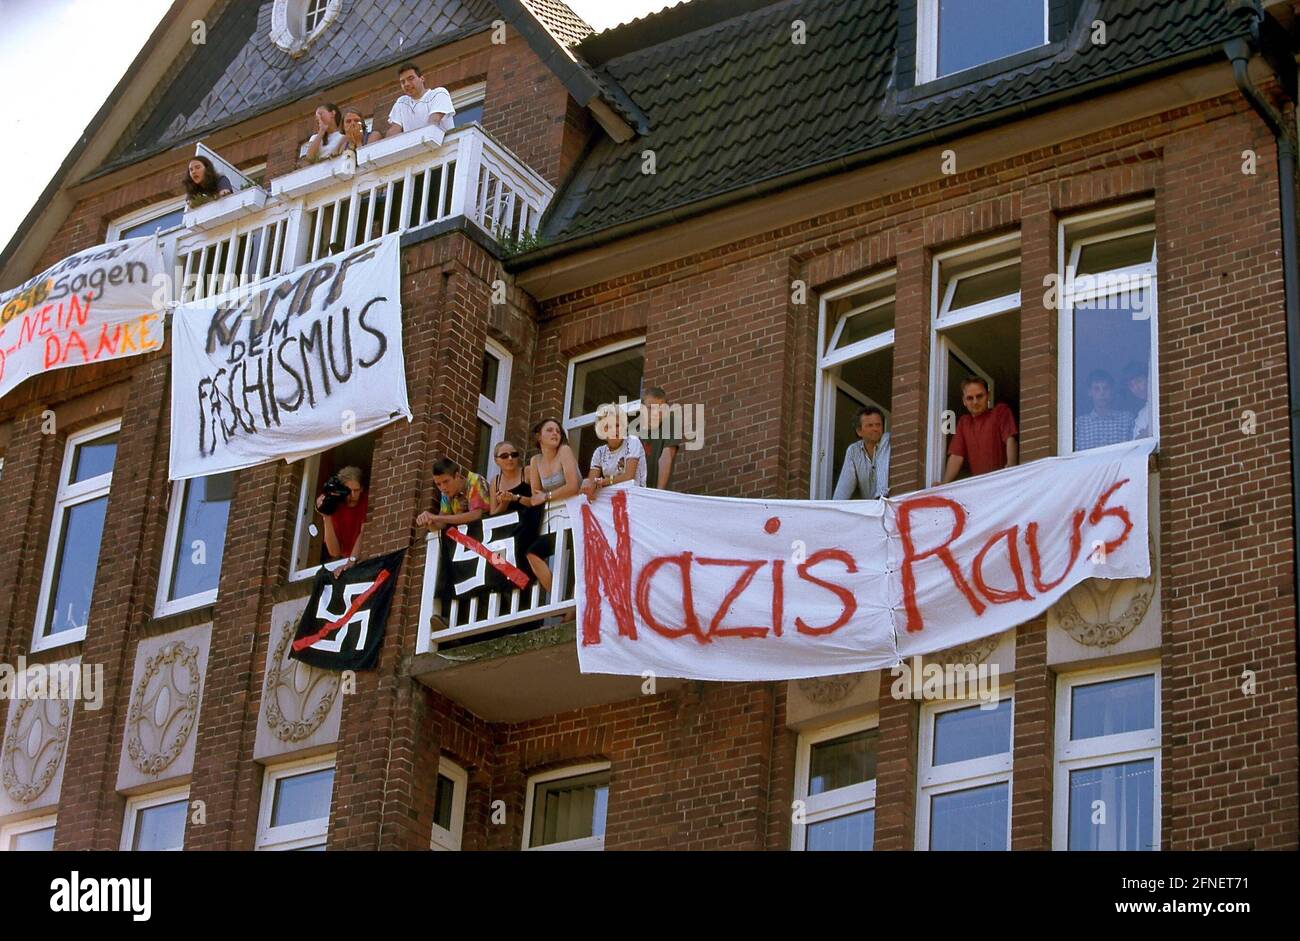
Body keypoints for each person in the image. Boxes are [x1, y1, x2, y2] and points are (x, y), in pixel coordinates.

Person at [522, 418, 581, 594]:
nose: (555, 433)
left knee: (575, 570)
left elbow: (573, 487)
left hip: (577, 517)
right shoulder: (535, 461)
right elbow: (535, 496)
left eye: (558, 430)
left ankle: (569, 610)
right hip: (554, 521)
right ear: (539, 436)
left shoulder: (564, 451)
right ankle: (557, 597)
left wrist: (547, 496)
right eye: (549, 430)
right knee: (532, 553)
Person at [488, 439, 546, 590]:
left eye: (514, 455)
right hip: (509, 533)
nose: (510, 459)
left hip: (529, 524)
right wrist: (505, 502)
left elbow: (535, 500)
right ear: (496, 460)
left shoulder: (526, 472)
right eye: (504, 456)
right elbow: (493, 513)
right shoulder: (496, 481)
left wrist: (516, 498)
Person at [942, 376, 1019, 483]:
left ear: (988, 396)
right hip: (980, 485)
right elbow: (956, 456)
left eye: (979, 396)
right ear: (964, 401)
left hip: (1002, 480)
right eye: (970, 398)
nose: (975, 402)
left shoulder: (1000, 411)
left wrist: (1012, 467)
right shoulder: (964, 423)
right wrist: (944, 485)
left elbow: (1010, 439)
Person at [582, 406, 646, 501]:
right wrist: (588, 485)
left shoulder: (632, 441)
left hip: (636, 498)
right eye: (608, 426)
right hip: (611, 501)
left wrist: (604, 481)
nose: (614, 430)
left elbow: (629, 477)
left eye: (617, 425)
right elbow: (592, 483)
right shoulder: (599, 452)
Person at [416, 458, 490, 531]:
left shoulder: (474, 480)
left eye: (446, 481)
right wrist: (429, 522)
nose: (443, 487)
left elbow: (476, 514)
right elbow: (441, 524)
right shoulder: (445, 493)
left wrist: (435, 517)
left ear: (457, 476)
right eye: (438, 484)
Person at [833, 405, 891, 499]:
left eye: (878, 425)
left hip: (891, 507)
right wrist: (834, 510)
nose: (875, 429)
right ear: (859, 431)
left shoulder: (889, 441)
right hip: (871, 510)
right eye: (870, 425)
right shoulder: (854, 451)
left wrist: (881, 496)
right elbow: (842, 491)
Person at [315, 465, 367, 569]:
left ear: (361, 488)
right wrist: (326, 517)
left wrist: (352, 560)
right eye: (348, 491)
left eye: (356, 490)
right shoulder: (336, 506)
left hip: (362, 556)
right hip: (345, 559)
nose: (352, 494)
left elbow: (364, 532)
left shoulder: (366, 500)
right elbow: (334, 552)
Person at [386, 62, 455, 138]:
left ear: (422, 79)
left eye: (410, 78)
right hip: (416, 149)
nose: (406, 84)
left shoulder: (438, 93)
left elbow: (433, 123)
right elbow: (394, 130)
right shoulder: (401, 102)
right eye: (403, 82)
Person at [1073, 369, 1135, 450]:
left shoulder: (1127, 419)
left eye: (1106, 388)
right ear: (1089, 392)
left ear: (1112, 391)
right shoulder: (1079, 424)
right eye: (1096, 389)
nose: (1102, 393)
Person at [639, 386, 681, 489]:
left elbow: (666, 457)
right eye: (650, 408)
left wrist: (659, 492)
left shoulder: (670, 422)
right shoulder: (632, 431)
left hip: (656, 493)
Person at [1123, 361, 1152, 440]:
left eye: (1139, 381)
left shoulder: (1159, 403)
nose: (1136, 388)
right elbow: (1137, 442)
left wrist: (1147, 431)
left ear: (1148, 378)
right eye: (1131, 385)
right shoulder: (1141, 415)